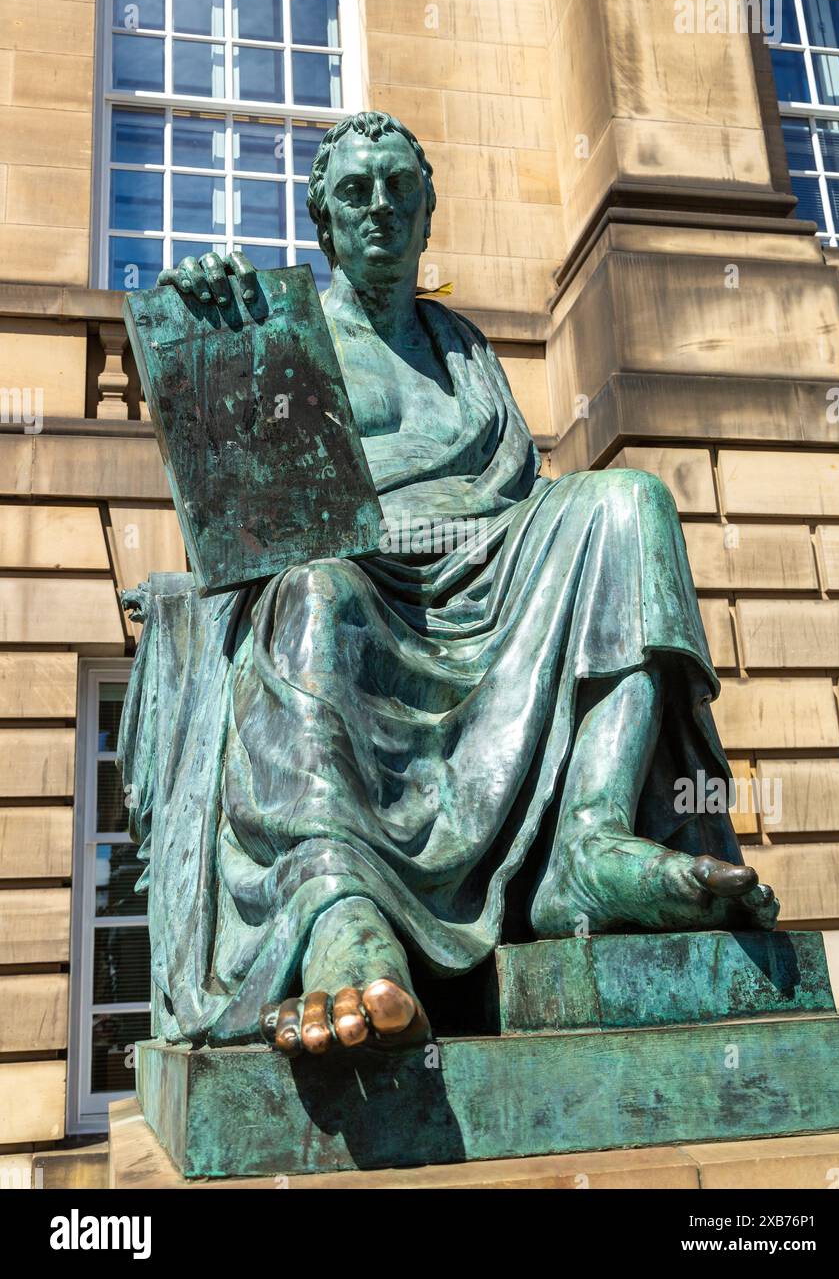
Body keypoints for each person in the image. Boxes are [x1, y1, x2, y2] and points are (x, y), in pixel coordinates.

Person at [119, 111, 778, 1061]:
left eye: (400, 187)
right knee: (316, 594)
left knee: (627, 502)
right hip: (364, 575)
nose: (380, 205)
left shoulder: (461, 346)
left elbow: (522, 488)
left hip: (493, 559)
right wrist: (201, 321)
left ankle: (586, 841)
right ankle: (338, 908)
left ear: (428, 213)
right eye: (356, 190)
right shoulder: (278, 333)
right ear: (323, 221)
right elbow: (233, 487)